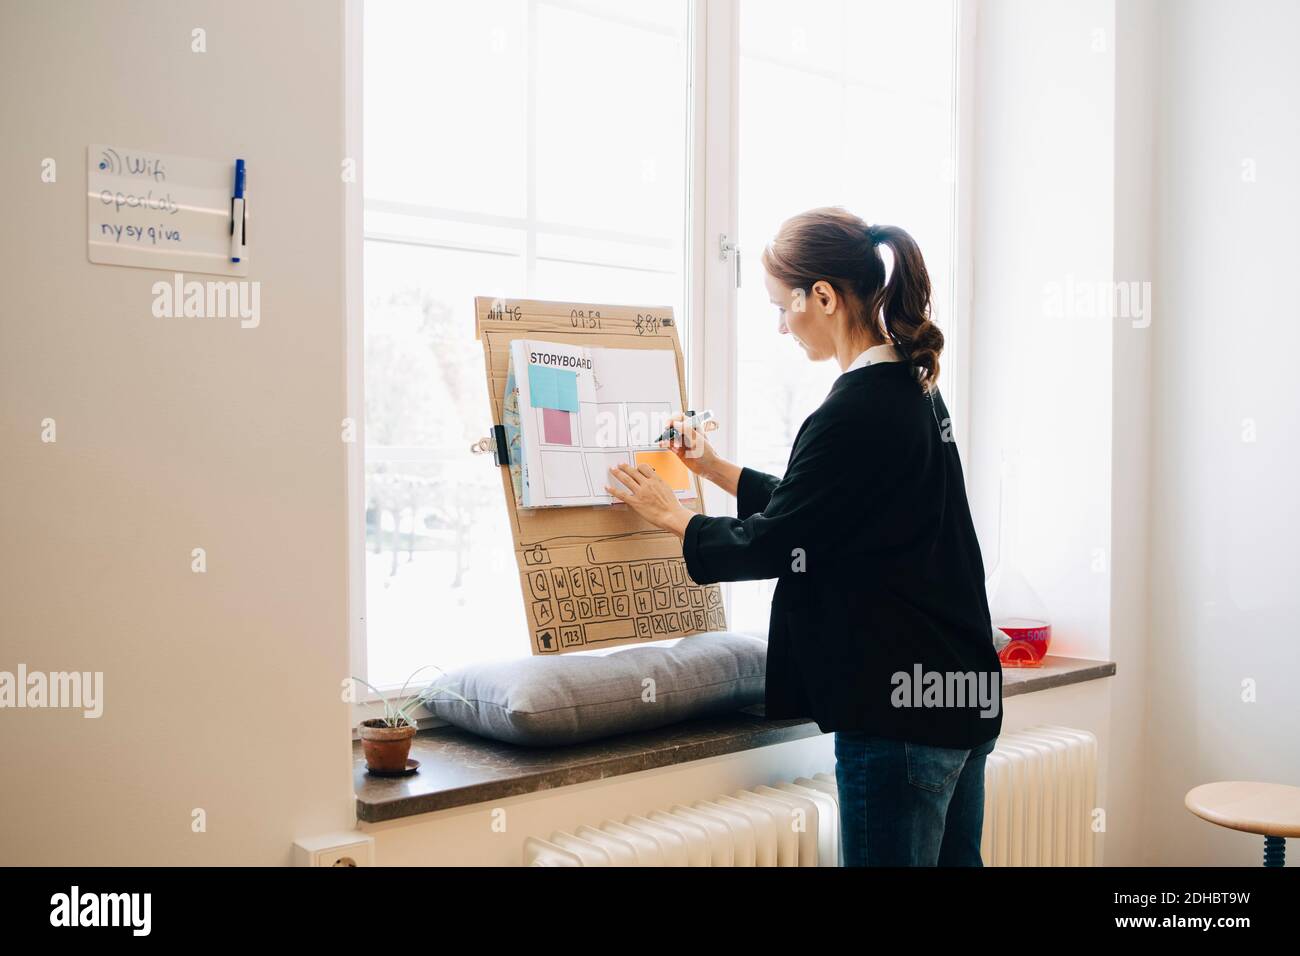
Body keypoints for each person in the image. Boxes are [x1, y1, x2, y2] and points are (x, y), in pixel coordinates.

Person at [606, 206, 1003, 867]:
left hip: (900, 717)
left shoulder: (853, 408)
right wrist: (712, 468)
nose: (781, 325)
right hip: (957, 696)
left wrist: (672, 514)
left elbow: (776, 540)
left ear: (822, 295)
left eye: (780, 307)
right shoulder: (912, 386)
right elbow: (823, 515)